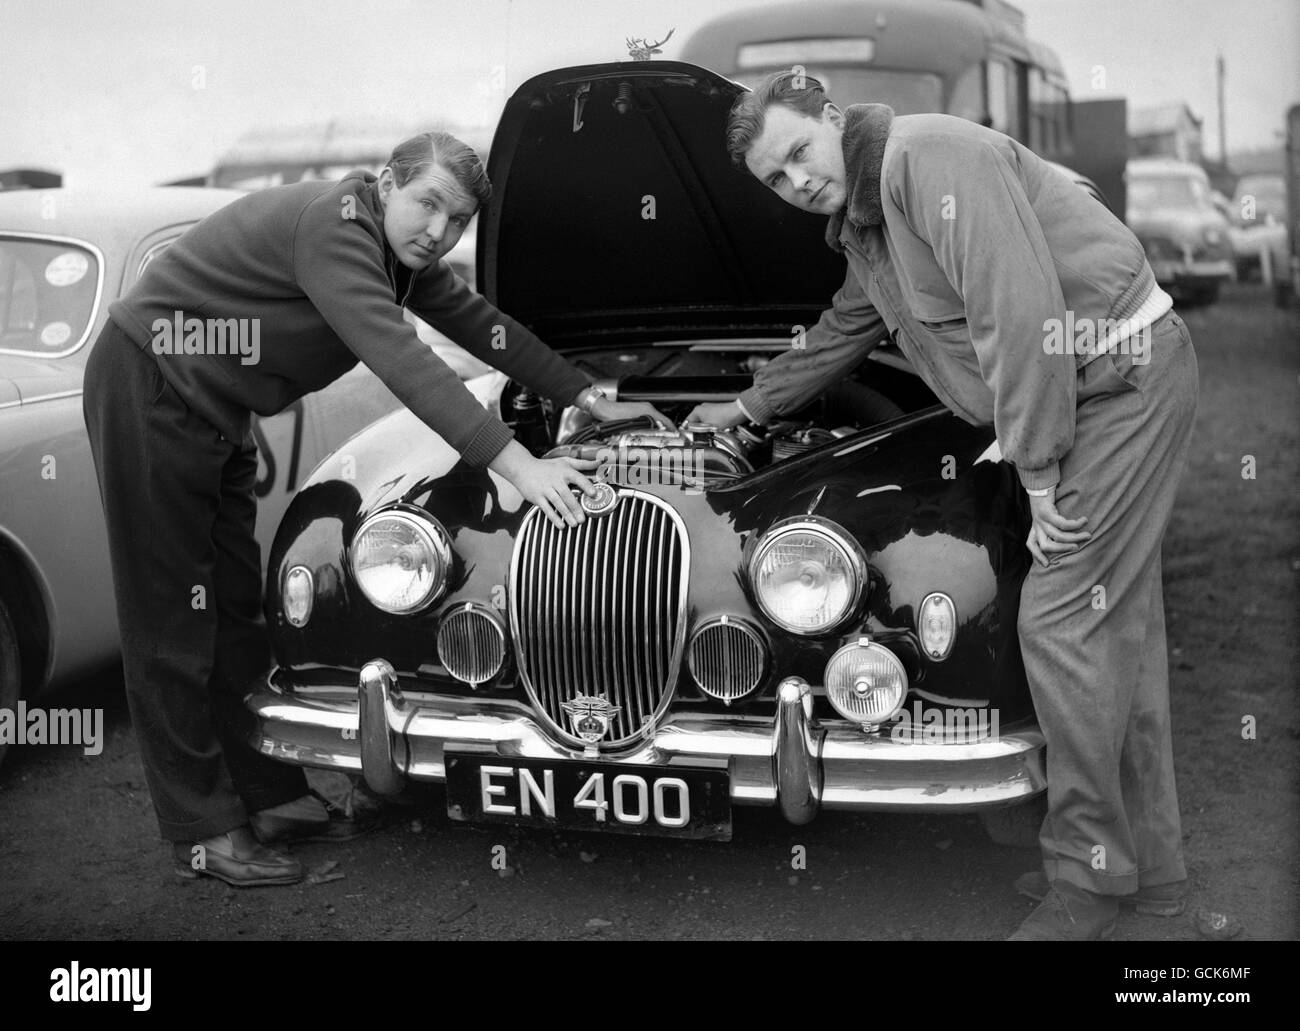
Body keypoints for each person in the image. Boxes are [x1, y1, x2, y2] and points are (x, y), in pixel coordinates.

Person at [84, 130, 668, 888]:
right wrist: (519, 463)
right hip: (150, 384)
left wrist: (591, 394)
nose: (439, 231)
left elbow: (485, 328)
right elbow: (404, 361)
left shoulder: (399, 259)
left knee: (230, 607)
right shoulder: (337, 229)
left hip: (215, 410)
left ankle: (268, 798)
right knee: (169, 622)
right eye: (429, 204)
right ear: (387, 184)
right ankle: (205, 832)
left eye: (457, 222)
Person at [688, 72, 1198, 941]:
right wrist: (744, 410)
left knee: (1062, 624)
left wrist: (1035, 475)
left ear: (831, 118)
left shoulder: (929, 158)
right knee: (1120, 631)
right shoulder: (866, 228)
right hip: (1087, 393)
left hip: (1120, 381)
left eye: (799, 153)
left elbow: (1024, 314)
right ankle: (1151, 882)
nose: (797, 180)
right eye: (775, 179)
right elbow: (846, 328)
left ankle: (1086, 882)